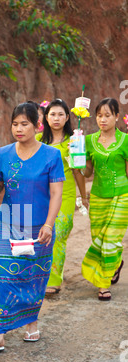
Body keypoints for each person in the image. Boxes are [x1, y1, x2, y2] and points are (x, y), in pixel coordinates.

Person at [0, 102, 65, 351]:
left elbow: (56, 193)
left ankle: (31, 323)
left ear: (37, 126)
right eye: (15, 124)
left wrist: (49, 225)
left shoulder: (51, 155)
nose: (19, 128)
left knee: (33, 277)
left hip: (39, 227)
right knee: (0, 277)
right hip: (9, 225)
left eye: (24, 124)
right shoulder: (4, 154)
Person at [37, 98, 87, 295]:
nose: (56, 118)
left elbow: (78, 172)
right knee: (42, 235)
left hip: (65, 195)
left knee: (58, 235)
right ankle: (42, 274)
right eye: (52, 114)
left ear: (67, 117)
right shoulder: (38, 141)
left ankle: (54, 279)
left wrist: (83, 196)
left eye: (60, 114)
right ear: (46, 118)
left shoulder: (74, 141)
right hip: (42, 197)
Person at [81, 98, 128, 301]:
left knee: (111, 240)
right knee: (99, 239)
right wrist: (78, 164)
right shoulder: (89, 140)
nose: (102, 119)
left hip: (121, 195)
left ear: (117, 117)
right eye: (99, 115)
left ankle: (103, 283)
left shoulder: (125, 140)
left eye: (107, 115)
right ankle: (114, 264)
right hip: (98, 196)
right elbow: (88, 172)